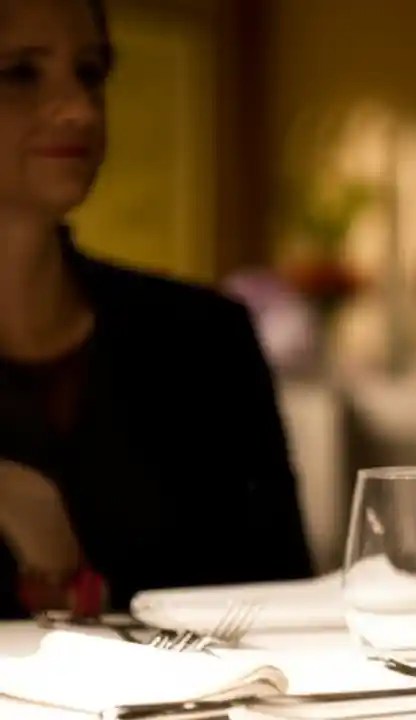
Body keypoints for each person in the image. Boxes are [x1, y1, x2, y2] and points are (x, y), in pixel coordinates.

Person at [0, 0, 312, 619]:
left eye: (90, 73)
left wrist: (68, 572)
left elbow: (284, 609)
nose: (79, 110)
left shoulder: (205, 337)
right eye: (19, 73)